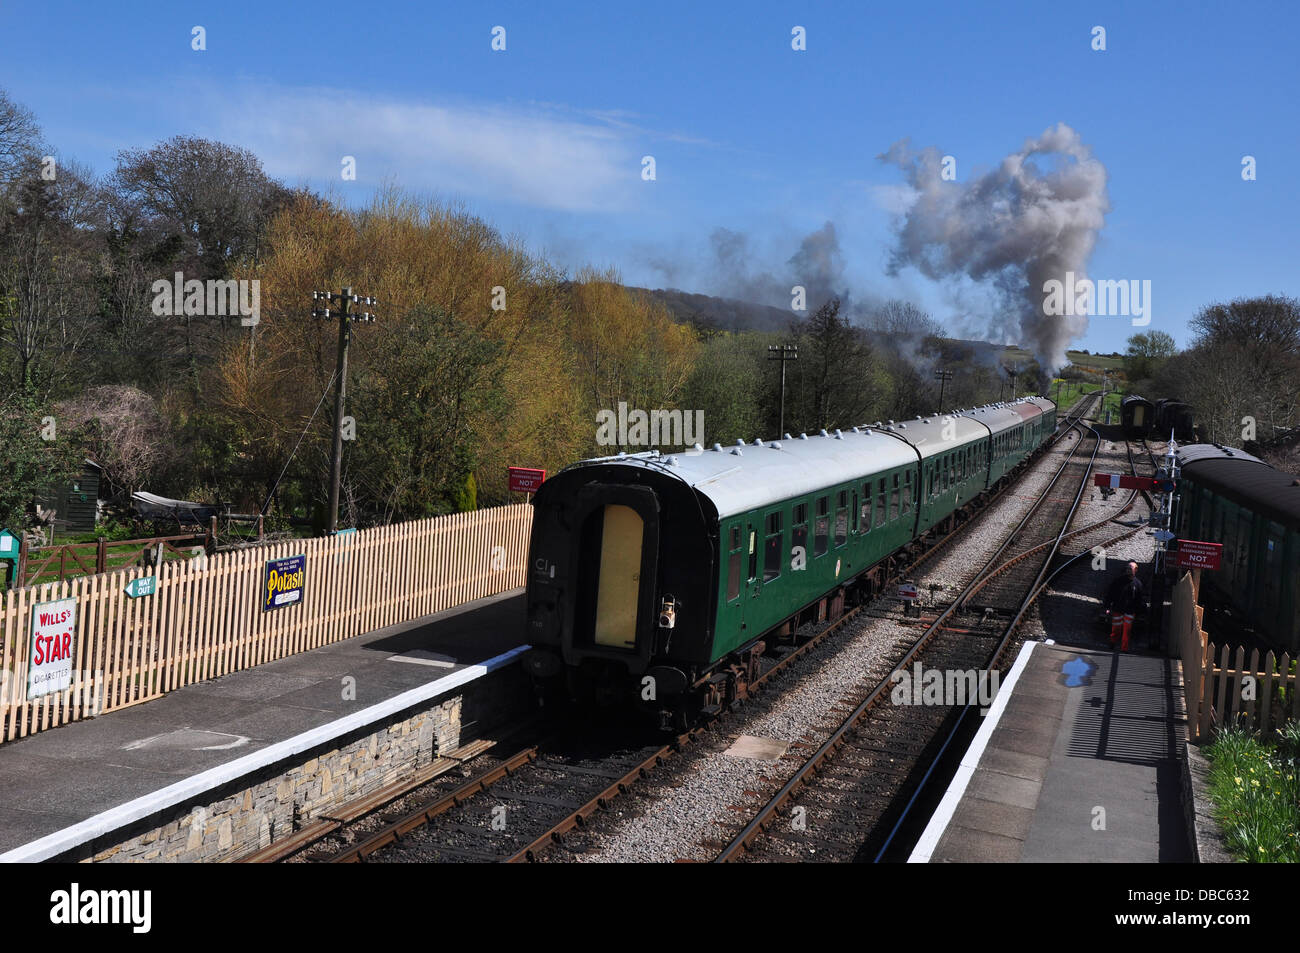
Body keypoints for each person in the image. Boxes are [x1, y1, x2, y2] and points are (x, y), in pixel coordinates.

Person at [1103, 561, 1146, 651]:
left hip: (1130, 611)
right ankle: (1113, 642)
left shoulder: (1138, 584)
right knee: (1116, 629)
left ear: (1136, 570)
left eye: (1130, 569)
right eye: (1127, 568)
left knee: (1127, 631)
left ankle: (1124, 649)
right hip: (1118, 609)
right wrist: (1107, 607)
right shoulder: (1118, 581)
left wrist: (1139, 612)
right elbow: (1110, 594)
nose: (1128, 570)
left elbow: (1139, 599)